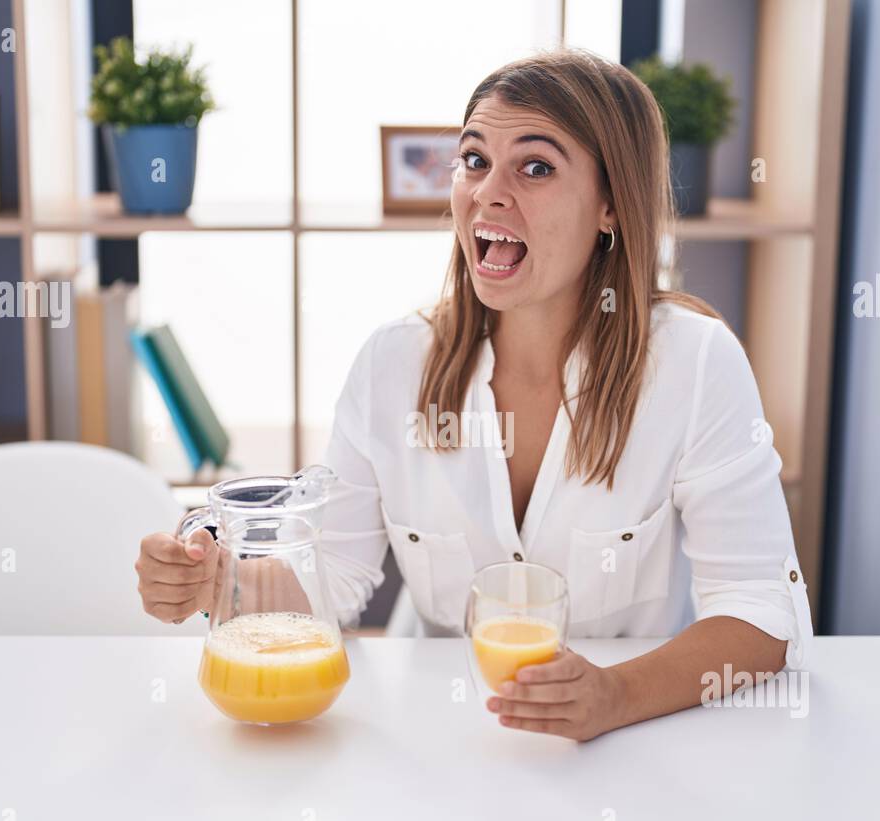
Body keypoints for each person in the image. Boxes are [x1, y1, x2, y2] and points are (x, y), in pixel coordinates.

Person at [134, 49, 813, 741]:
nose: (489, 191)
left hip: (631, 748)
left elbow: (762, 614)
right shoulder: (393, 363)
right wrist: (216, 583)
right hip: (440, 737)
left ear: (612, 205)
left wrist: (615, 696)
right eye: (474, 160)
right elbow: (330, 576)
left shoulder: (694, 364)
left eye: (536, 167)